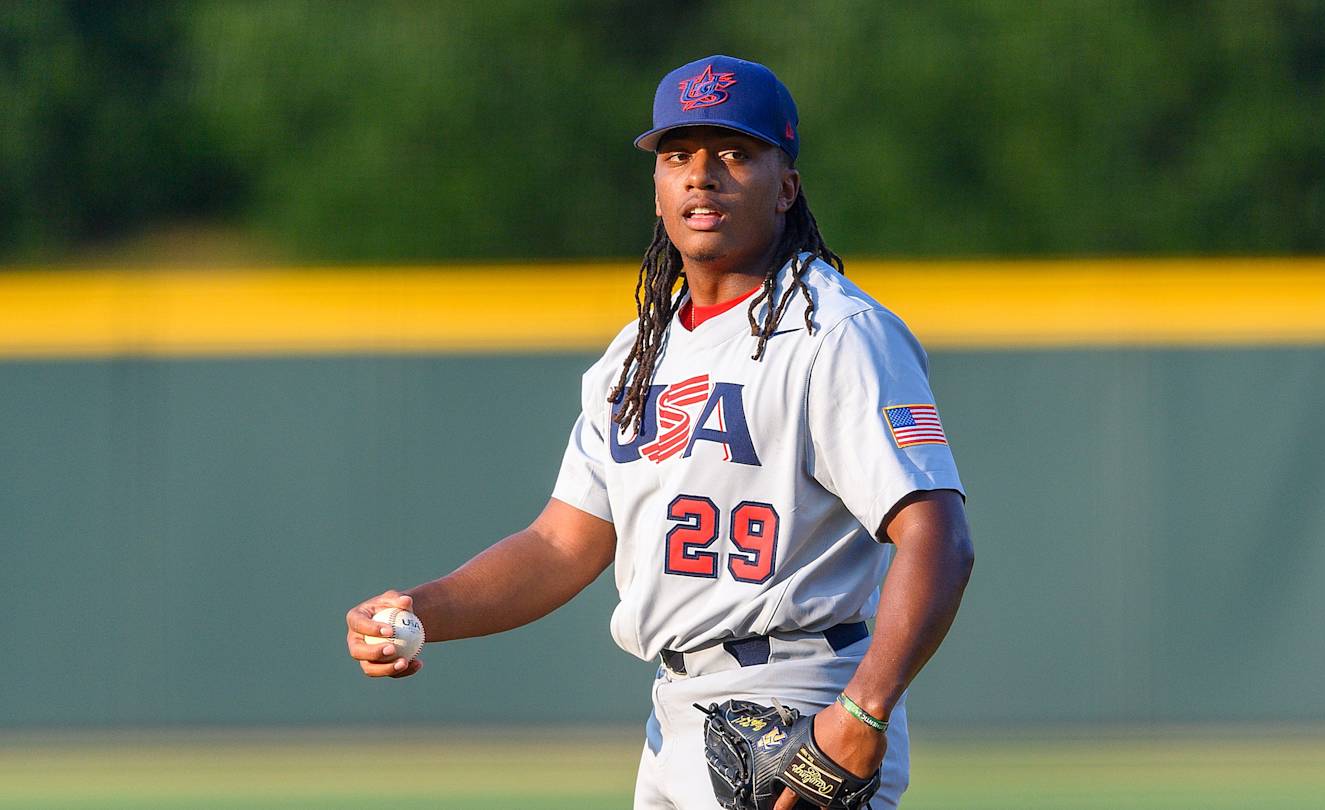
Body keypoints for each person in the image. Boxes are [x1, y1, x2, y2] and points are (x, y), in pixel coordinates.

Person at [346, 54, 974, 809]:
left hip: (802, 702)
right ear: (656, 188)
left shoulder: (838, 333)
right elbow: (559, 546)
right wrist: (421, 610)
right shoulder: (637, 354)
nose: (701, 176)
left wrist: (864, 712)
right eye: (678, 156)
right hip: (673, 715)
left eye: (734, 154)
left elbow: (938, 536)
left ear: (786, 187)